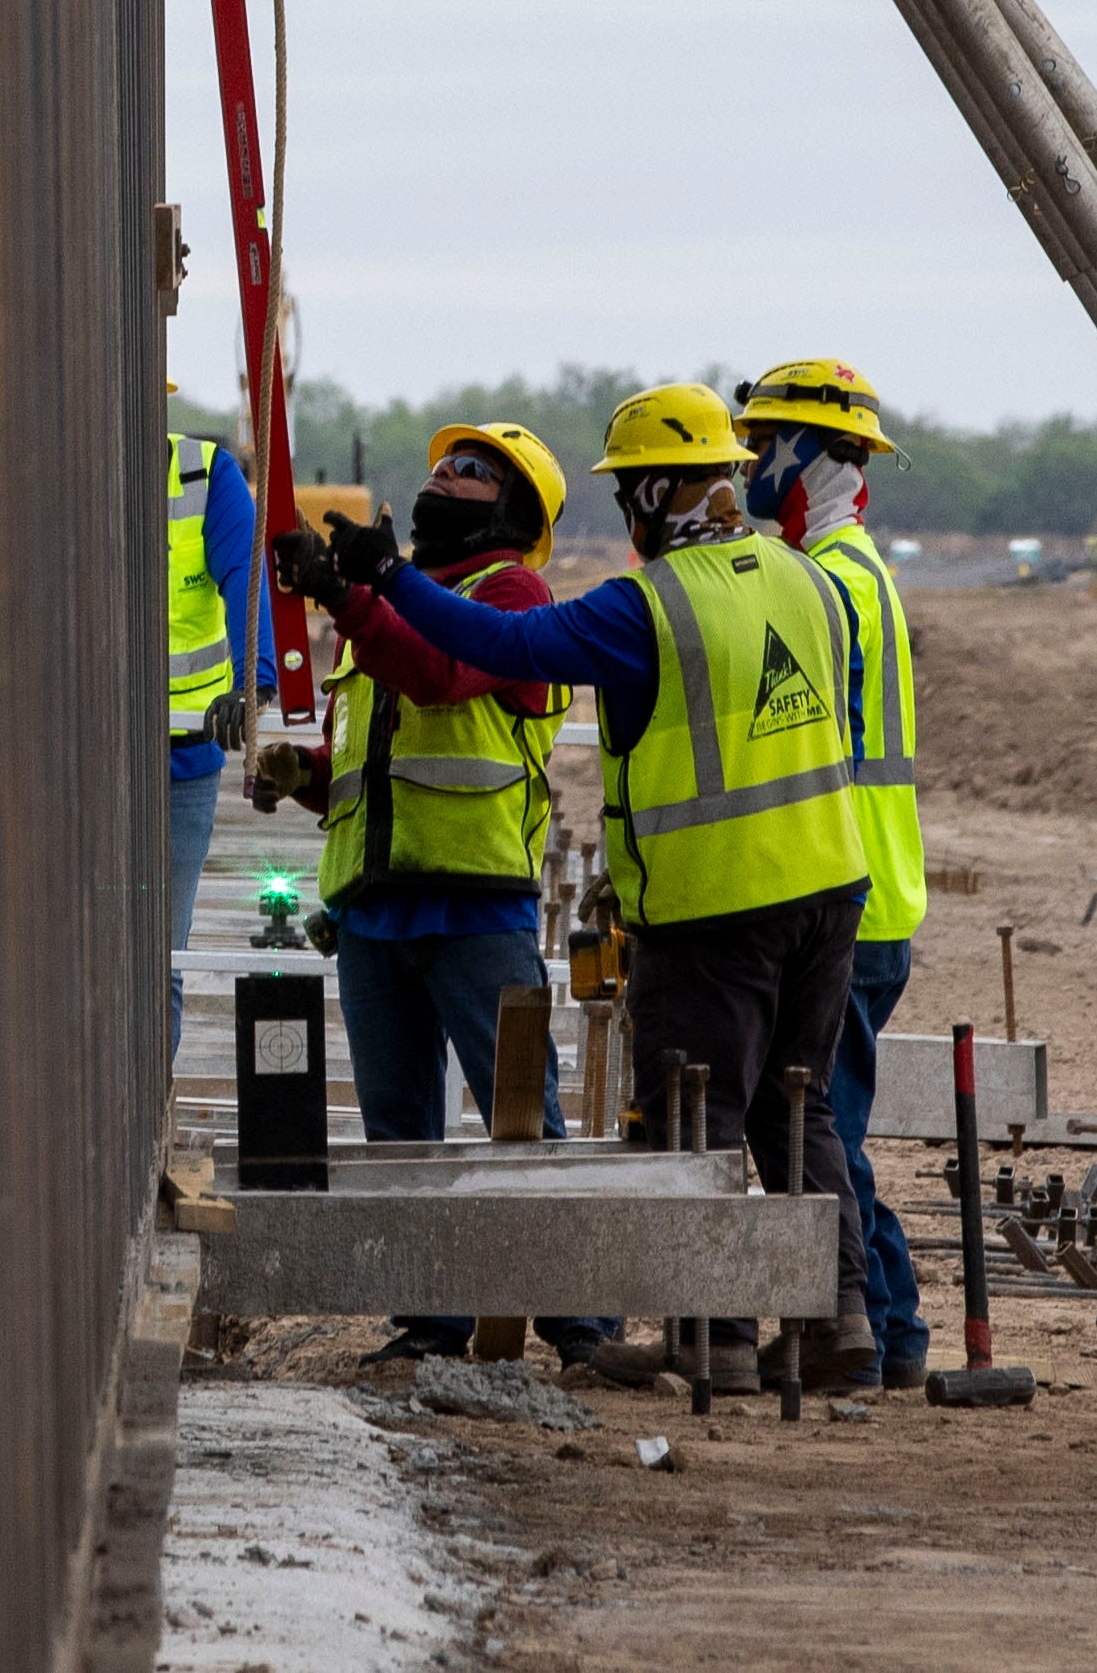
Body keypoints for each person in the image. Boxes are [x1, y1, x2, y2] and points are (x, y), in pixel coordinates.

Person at [300, 381, 873, 1396]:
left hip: (712, 900)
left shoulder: (647, 602)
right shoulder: (809, 579)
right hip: (828, 886)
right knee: (798, 1112)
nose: (627, 515)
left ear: (656, 490)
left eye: (629, 496)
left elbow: (500, 652)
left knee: (696, 1123)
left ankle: (716, 1344)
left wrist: (381, 575)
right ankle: (840, 1328)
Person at [258, 423, 612, 1368]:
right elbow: (379, 759)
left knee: (520, 1119)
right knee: (400, 1130)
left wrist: (345, 593)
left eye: (471, 473)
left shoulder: (510, 596)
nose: (442, 480)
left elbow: (440, 676)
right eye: (445, 466)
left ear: (512, 509)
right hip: (377, 907)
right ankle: (430, 1320)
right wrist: (305, 770)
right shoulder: (385, 603)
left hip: (474, 899)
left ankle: (579, 1320)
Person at [734, 359, 930, 1391]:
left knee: (824, 1131)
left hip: (845, 896)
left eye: (761, 443)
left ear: (810, 452)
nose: (749, 462)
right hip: (872, 889)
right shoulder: (854, 568)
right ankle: (888, 1335)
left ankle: (879, 1334)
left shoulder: (829, 584)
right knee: (830, 1127)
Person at [165, 413, 276, 1059]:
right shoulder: (58, 464)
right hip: (73, 757)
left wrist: (253, 682)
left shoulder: (205, 475)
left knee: (159, 954)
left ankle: (152, 1105)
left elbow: (244, 575)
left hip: (181, 755)